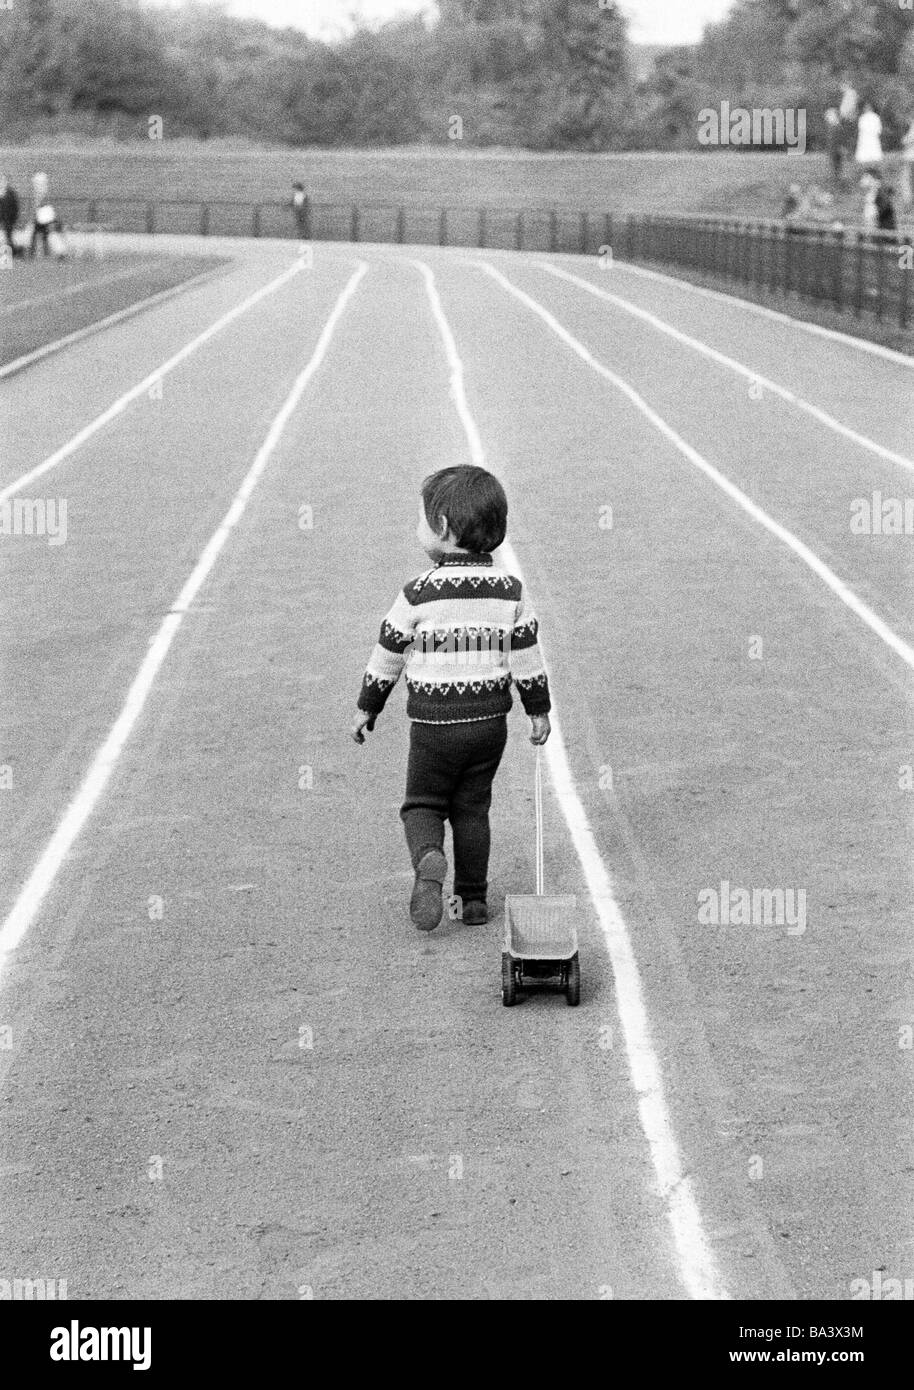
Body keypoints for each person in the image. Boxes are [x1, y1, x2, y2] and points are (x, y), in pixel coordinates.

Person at [351, 465, 551, 931]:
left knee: (422, 804)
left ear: (441, 528)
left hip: (434, 725)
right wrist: (537, 711)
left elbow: (388, 652)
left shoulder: (418, 593)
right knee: (473, 807)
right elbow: (527, 655)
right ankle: (474, 901)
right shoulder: (510, 592)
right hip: (488, 725)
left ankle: (429, 857)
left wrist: (368, 706)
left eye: (421, 519)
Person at [854, 101, 883, 174]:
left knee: (866, 156)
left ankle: (869, 172)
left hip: (866, 138)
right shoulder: (875, 117)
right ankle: (870, 171)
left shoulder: (863, 117)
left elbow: (861, 128)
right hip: (871, 138)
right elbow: (879, 130)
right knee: (873, 155)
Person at [824, 107, 843, 188]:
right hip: (833, 149)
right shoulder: (833, 127)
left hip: (836, 149)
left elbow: (837, 140)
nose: (827, 119)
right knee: (834, 164)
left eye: (829, 116)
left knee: (836, 164)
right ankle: (835, 178)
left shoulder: (836, 127)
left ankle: (836, 179)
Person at [0, 176, 19, 253]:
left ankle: (12, 252)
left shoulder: (11, 193)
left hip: (8, 219)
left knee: (8, 237)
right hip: (2, 218)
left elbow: (15, 207)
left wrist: (13, 218)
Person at [900, 117, 914, 213]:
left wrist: (905, 140)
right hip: (909, 157)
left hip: (910, 157)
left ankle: (908, 204)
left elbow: (909, 139)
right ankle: (908, 204)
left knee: (906, 181)